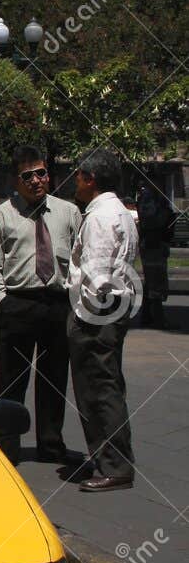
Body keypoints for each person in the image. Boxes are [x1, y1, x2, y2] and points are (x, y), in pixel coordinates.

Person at [0, 144, 81, 466]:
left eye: (42, 173)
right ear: (16, 181)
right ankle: (7, 446)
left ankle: (51, 444)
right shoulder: (1, 216)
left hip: (56, 304)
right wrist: (3, 300)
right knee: (12, 380)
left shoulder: (69, 213)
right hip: (18, 304)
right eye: (28, 176)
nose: (37, 180)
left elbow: (79, 261)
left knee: (54, 378)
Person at [66, 148, 139, 492]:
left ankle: (114, 465)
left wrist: (87, 317)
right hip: (110, 312)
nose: (75, 182)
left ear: (90, 179)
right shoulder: (119, 212)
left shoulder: (99, 217)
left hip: (96, 317)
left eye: (79, 175)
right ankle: (113, 460)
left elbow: (96, 274)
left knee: (98, 390)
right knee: (107, 386)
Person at [135, 173, 175, 328]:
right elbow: (150, 219)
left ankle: (147, 315)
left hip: (156, 242)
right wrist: (166, 216)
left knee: (152, 280)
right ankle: (158, 318)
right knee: (156, 280)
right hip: (152, 243)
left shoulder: (155, 196)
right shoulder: (149, 197)